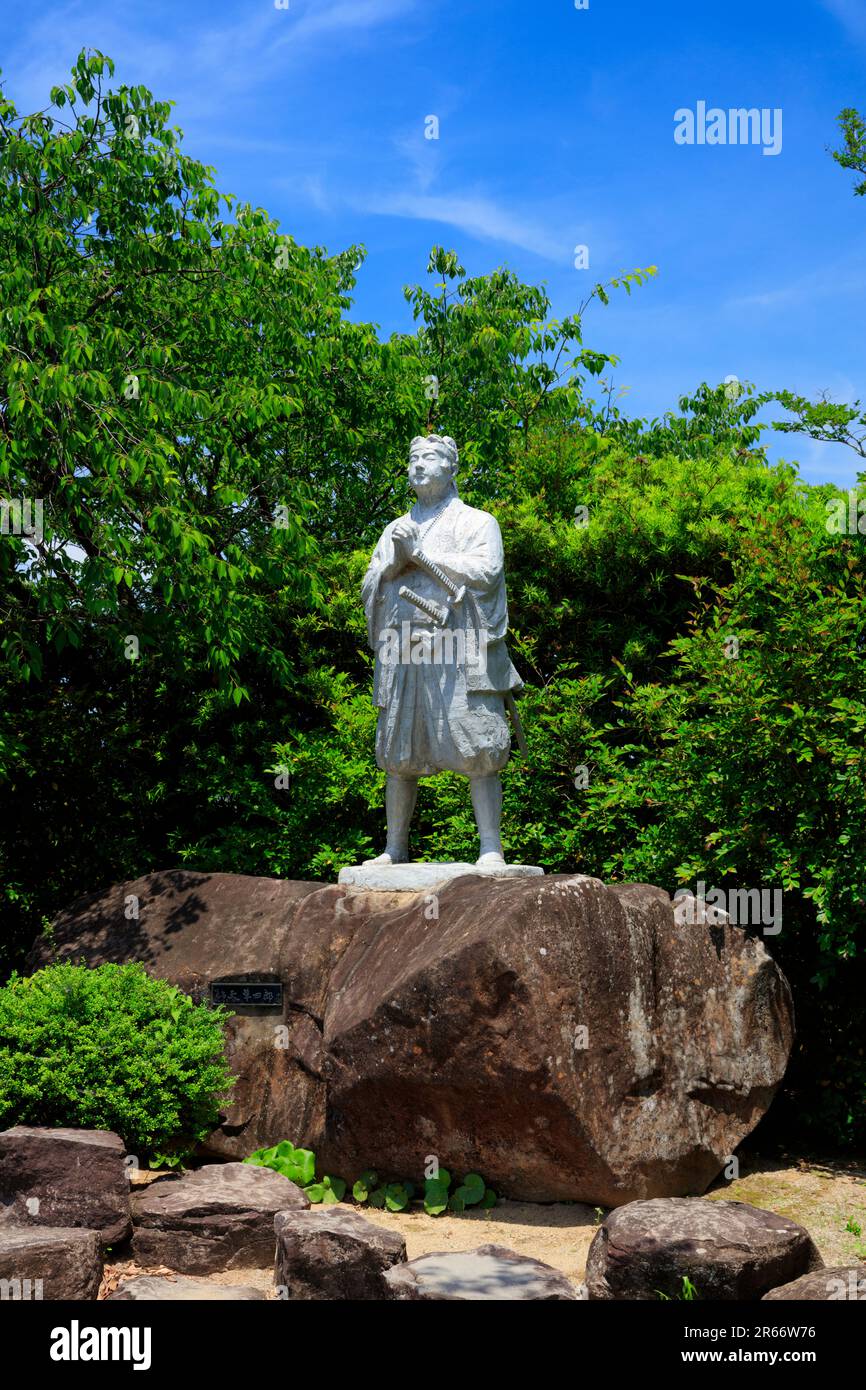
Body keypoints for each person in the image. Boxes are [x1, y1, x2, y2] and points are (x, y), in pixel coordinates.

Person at [361, 434, 523, 865]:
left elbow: (487, 571)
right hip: (404, 647)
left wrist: (424, 554)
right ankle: (395, 848)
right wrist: (397, 561)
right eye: (412, 458)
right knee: (399, 748)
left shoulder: (477, 522)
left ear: (451, 467)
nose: (418, 466)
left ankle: (491, 847)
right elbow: (370, 584)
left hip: (459, 647)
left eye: (429, 458)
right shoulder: (394, 527)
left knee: (478, 746)